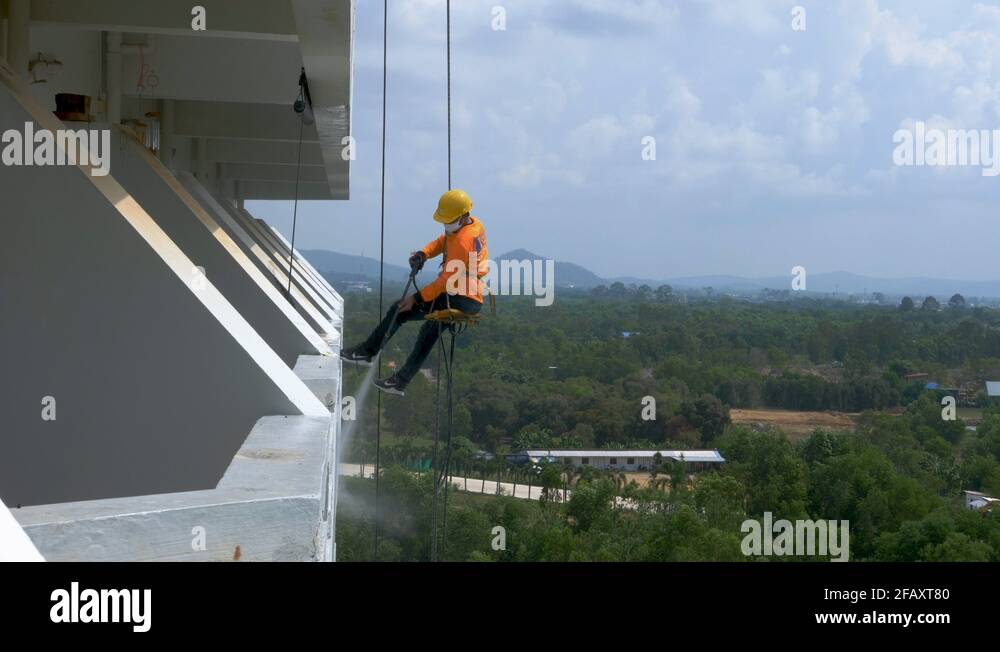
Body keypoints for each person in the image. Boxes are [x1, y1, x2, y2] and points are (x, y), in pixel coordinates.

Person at [340, 189, 489, 396]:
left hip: (459, 296)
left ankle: (367, 352)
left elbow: (445, 281)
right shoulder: (472, 224)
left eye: (449, 220)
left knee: (399, 309)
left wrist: (416, 298)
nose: (446, 224)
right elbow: (443, 240)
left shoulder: (464, 242)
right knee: (429, 332)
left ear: (463, 216)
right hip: (470, 296)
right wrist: (424, 253)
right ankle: (400, 381)